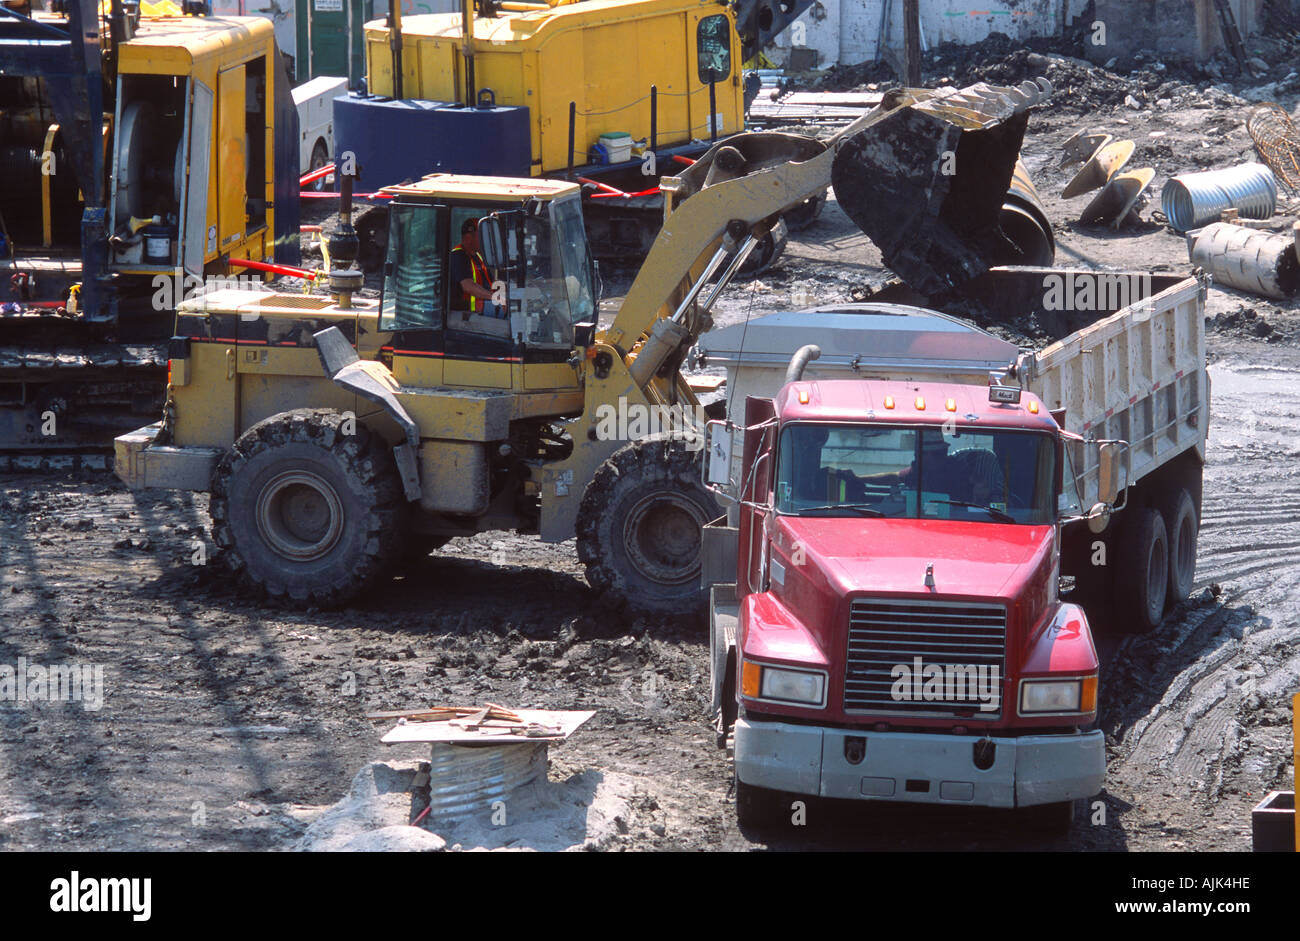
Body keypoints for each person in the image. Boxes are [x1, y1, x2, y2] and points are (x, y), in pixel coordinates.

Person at [450, 218, 505, 319]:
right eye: (482, 236)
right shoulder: (458, 256)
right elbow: (468, 286)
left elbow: (490, 283)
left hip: (483, 308)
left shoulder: (478, 256)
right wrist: (495, 298)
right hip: (466, 315)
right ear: (468, 237)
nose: (486, 239)